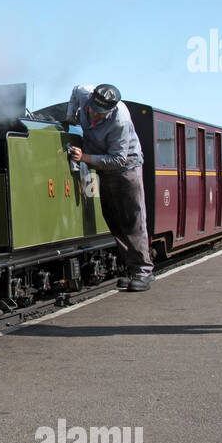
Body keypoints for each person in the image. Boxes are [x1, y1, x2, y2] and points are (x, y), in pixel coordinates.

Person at [65, 84, 153, 291]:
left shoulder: (120, 121)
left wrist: (84, 157)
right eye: (93, 109)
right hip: (102, 168)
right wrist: (70, 116)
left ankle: (143, 272)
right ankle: (132, 270)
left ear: (111, 110)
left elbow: (117, 160)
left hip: (125, 169)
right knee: (113, 220)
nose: (94, 115)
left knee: (132, 221)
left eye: (100, 113)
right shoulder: (84, 93)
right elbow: (75, 89)